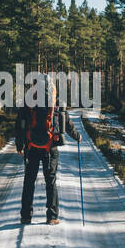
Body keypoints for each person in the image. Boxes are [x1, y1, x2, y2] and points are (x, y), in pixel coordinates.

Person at [15, 79, 81, 225]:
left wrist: (19, 145)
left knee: (29, 181)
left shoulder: (28, 101)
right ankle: (52, 216)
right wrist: (77, 136)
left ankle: (26, 216)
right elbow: (67, 123)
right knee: (50, 181)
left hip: (31, 148)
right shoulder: (56, 101)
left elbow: (19, 124)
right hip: (50, 148)